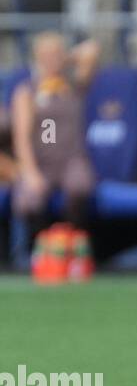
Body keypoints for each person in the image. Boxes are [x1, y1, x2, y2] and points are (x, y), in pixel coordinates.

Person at [11, 33, 100, 250]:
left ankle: (75, 241)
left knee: (80, 186)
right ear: (36, 57)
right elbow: (21, 138)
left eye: (56, 54)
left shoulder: (74, 85)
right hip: (42, 162)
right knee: (28, 200)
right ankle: (37, 247)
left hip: (72, 160)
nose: (51, 59)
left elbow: (93, 50)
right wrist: (30, 173)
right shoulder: (27, 92)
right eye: (46, 55)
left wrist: (64, 59)